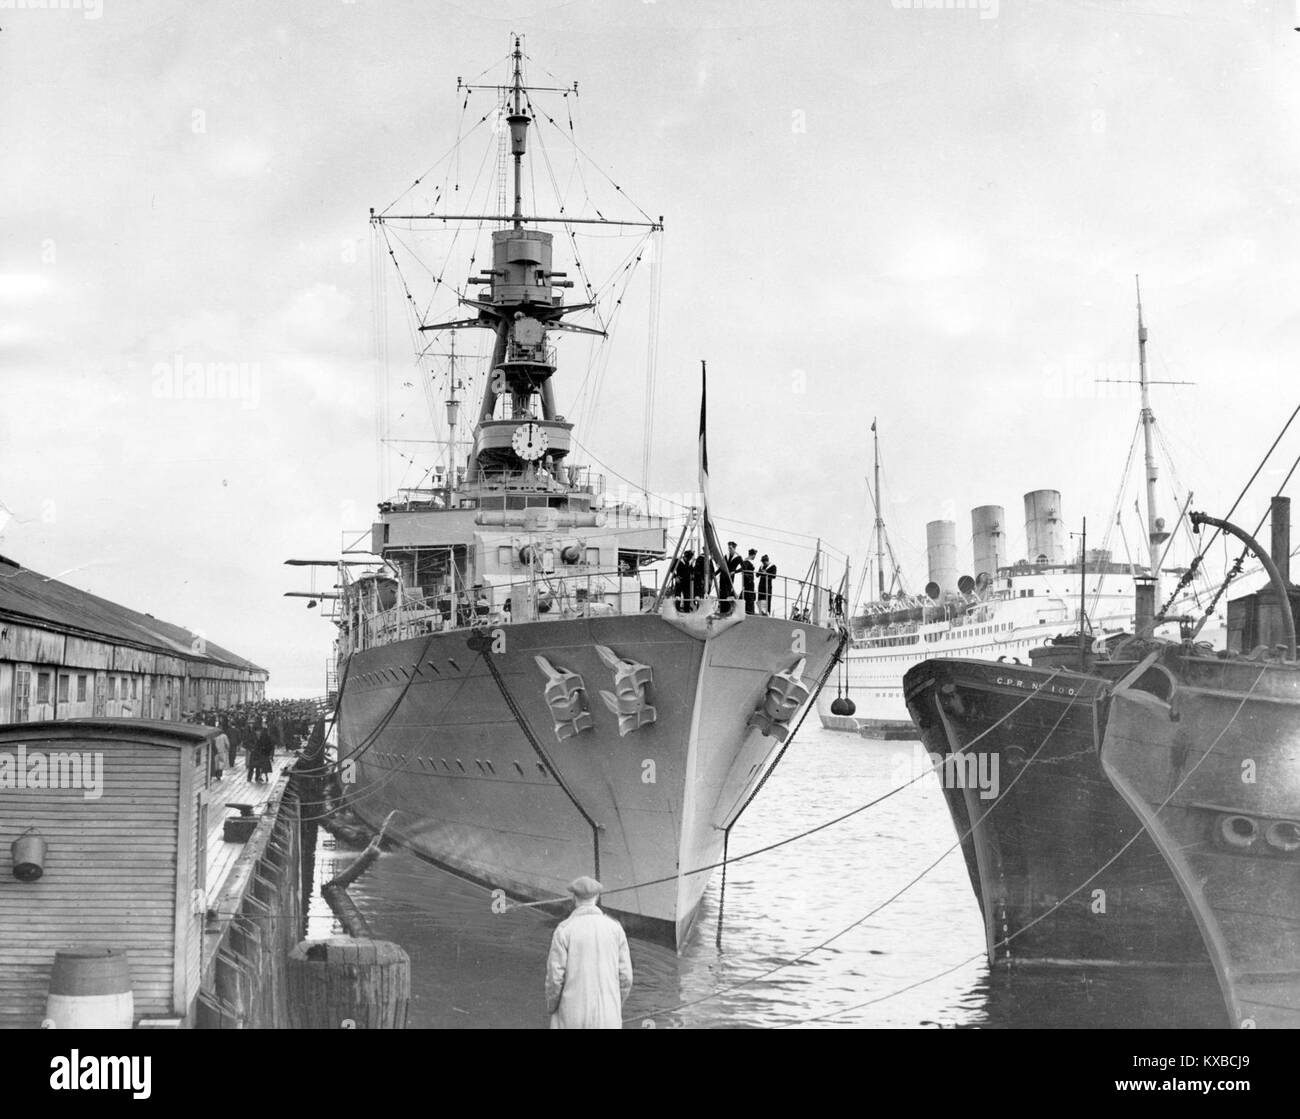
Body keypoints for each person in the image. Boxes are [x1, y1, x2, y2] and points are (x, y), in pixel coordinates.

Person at [544, 876, 633, 1029]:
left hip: (572, 1016)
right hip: (608, 1017)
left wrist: (552, 1008)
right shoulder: (615, 929)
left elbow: (555, 979)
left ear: (574, 898)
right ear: (597, 897)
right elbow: (626, 977)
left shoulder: (564, 930)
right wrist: (615, 1005)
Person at [741, 548, 758, 615]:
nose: (754, 557)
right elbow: (745, 571)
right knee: (749, 596)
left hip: (749, 582)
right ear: (753, 555)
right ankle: (749, 611)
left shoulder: (747, 561)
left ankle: (749, 610)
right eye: (754, 555)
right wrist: (749, 580)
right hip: (749, 582)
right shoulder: (747, 562)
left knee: (749, 595)